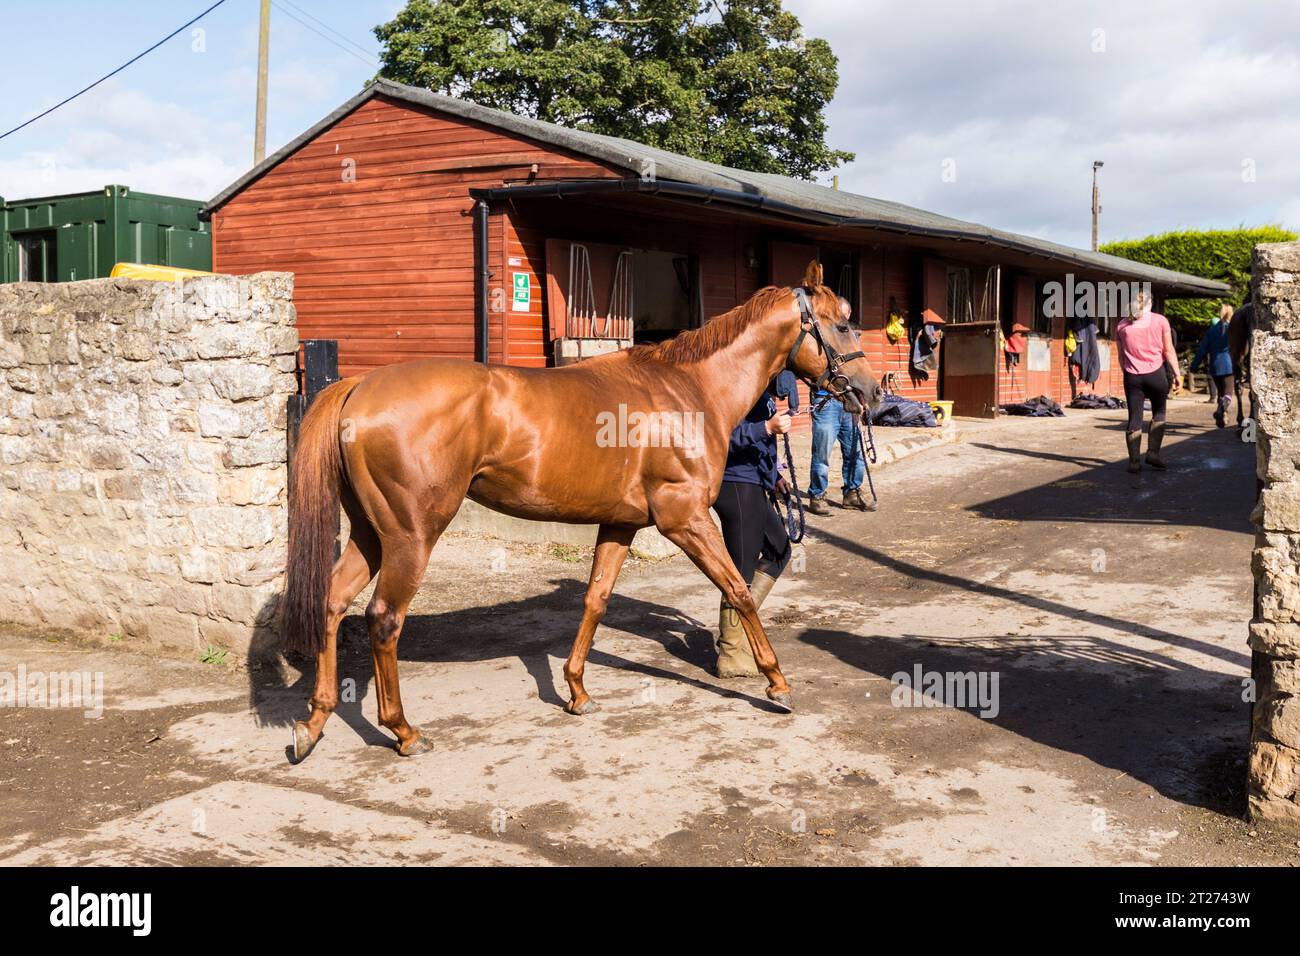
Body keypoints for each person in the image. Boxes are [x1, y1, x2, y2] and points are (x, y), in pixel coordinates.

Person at [712, 377, 795, 678]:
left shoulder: (760, 389)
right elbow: (721, 436)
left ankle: (744, 627)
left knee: (779, 549)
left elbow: (761, 447)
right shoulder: (735, 388)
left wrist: (774, 477)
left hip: (754, 482)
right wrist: (766, 428)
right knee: (740, 572)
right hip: (734, 483)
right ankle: (731, 655)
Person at [807, 297, 873, 514]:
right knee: (822, 452)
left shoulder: (850, 337)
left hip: (849, 400)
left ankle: (852, 493)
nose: (841, 318)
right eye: (838, 314)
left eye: (844, 315)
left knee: (855, 449)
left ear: (849, 314)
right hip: (826, 399)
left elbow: (857, 370)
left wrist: (862, 398)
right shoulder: (822, 335)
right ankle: (817, 495)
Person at [1115, 292, 1182, 473]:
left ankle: (1134, 462)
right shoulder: (1160, 321)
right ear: (1149, 303)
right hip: (1156, 375)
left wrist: (1129, 374)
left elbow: (1121, 357)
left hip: (1132, 377)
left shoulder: (1122, 325)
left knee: (1134, 418)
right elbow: (1168, 351)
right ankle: (1153, 453)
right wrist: (1177, 374)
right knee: (1159, 412)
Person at [1190, 304, 1235, 428]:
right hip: (1229, 364)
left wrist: (1194, 366)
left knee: (1221, 392)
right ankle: (1221, 410)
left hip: (1215, 365)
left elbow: (1202, 349)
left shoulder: (1212, 330)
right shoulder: (1233, 329)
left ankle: (1221, 418)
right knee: (1228, 393)